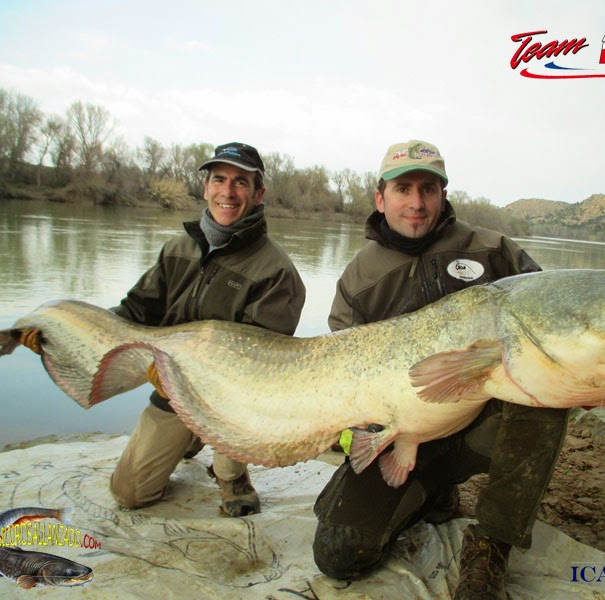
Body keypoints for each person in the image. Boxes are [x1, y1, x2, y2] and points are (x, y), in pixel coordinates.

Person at [311, 140, 568, 599]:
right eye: (403, 188)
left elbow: (548, 316)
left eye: (428, 189)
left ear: (443, 194)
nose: (416, 202)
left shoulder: (494, 251)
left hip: (484, 423)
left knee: (543, 386)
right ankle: (433, 490)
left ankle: (493, 542)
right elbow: (343, 382)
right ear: (380, 198)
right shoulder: (358, 280)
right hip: (408, 433)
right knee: (339, 553)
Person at [105, 141, 306, 516]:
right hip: (172, 385)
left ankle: (230, 471)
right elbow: (135, 311)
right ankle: (190, 437)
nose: (227, 192)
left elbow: (261, 369)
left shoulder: (276, 272)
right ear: (205, 187)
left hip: (233, 399)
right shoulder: (176, 249)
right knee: (130, 494)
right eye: (219, 180)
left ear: (258, 192)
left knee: (231, 439)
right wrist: (83, 330)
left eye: (241, 183)